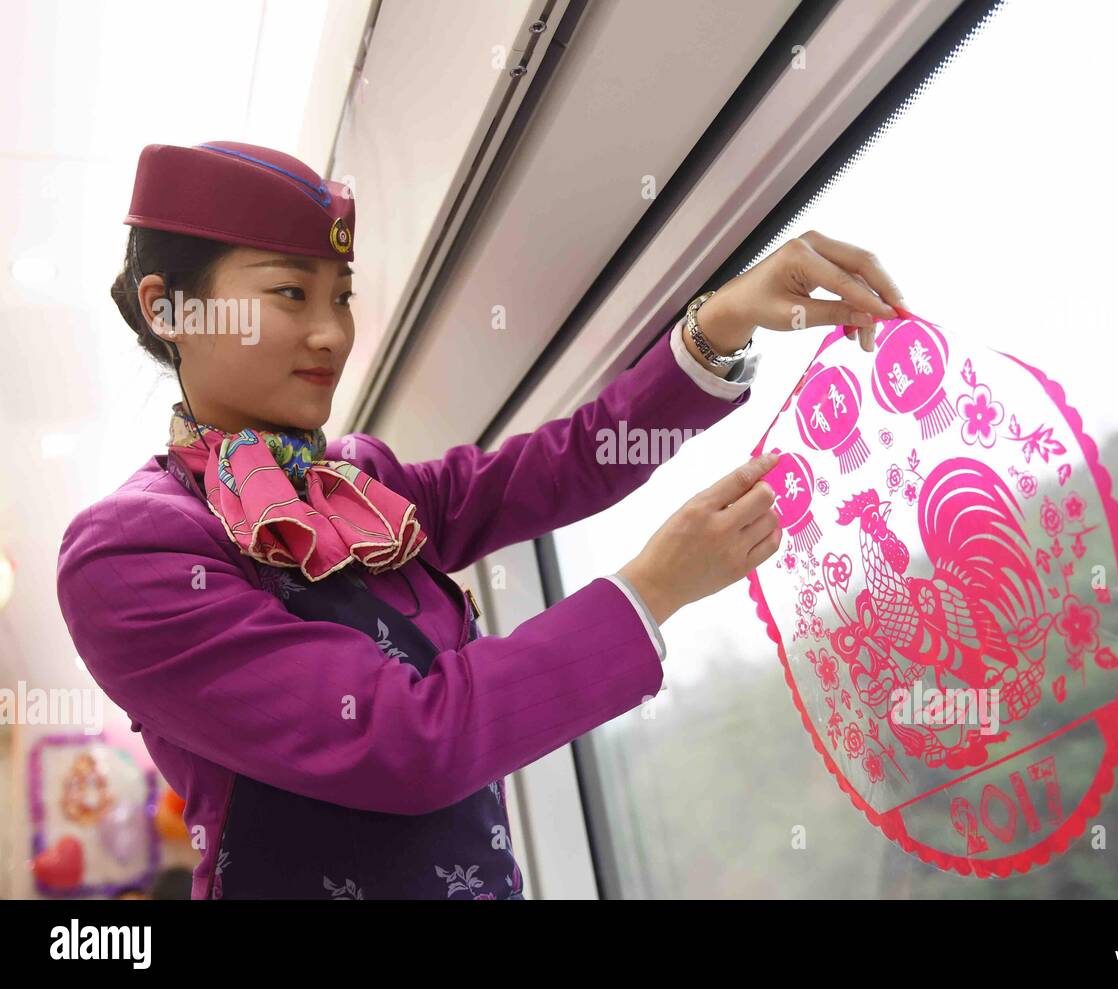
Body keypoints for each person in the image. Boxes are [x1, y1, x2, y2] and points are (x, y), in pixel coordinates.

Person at [55, 140, 905, 899]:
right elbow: (403, 739)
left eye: (342, 297)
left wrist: (721, 321)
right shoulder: (130, 551)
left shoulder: (358, 478)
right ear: (170, 309)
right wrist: (650, 589)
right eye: (289, 293)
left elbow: (552, 469)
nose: (331, 335)